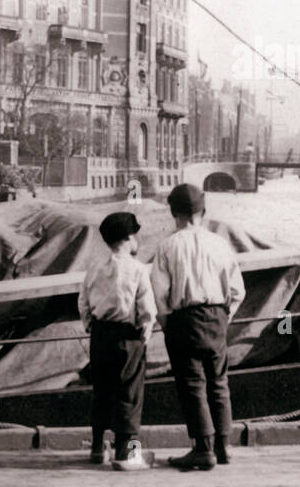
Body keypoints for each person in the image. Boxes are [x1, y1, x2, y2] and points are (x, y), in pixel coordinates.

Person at [150, 183, 245, 471]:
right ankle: (223, 447)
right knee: (219, 382)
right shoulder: (220, 244)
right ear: (204, 211)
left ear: (173, 213)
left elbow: (159, 294)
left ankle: (203, 449)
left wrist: (168, 324)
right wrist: (222, 318)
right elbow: (238, 290)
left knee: (192, 384)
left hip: (183, 320)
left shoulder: (167, 246)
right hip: (216, 316)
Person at [79, 211, 156, 472]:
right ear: (130, 238)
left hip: (100, 335)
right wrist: (145, 331)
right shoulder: (138, 269)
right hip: (127, 336)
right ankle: (127, 453)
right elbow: (146, 307)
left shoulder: (95, 268)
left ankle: (98, 447)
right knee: (129, 394)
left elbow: (83, 302)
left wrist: (92, 326)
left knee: (101, 391)